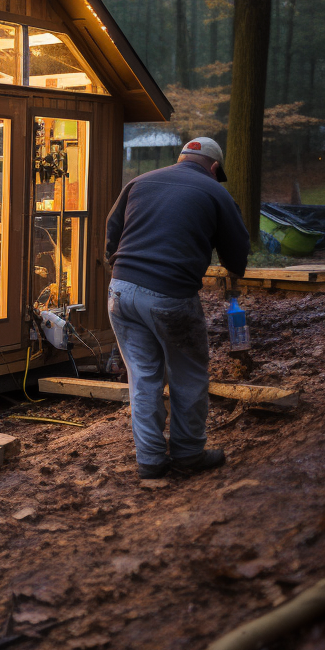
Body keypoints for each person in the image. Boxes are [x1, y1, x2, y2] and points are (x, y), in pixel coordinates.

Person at [105, 137, 250, 479]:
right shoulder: (216, 192)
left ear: (181, 157)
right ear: (214, 168)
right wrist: (233, 270)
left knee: (143, 378)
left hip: (120, 292)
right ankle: (188, 454)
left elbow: (112, 233)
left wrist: (122, 265)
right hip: (169, 294)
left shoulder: (139, 182)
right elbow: (237, 250)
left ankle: (151, 461)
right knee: (188, 376)